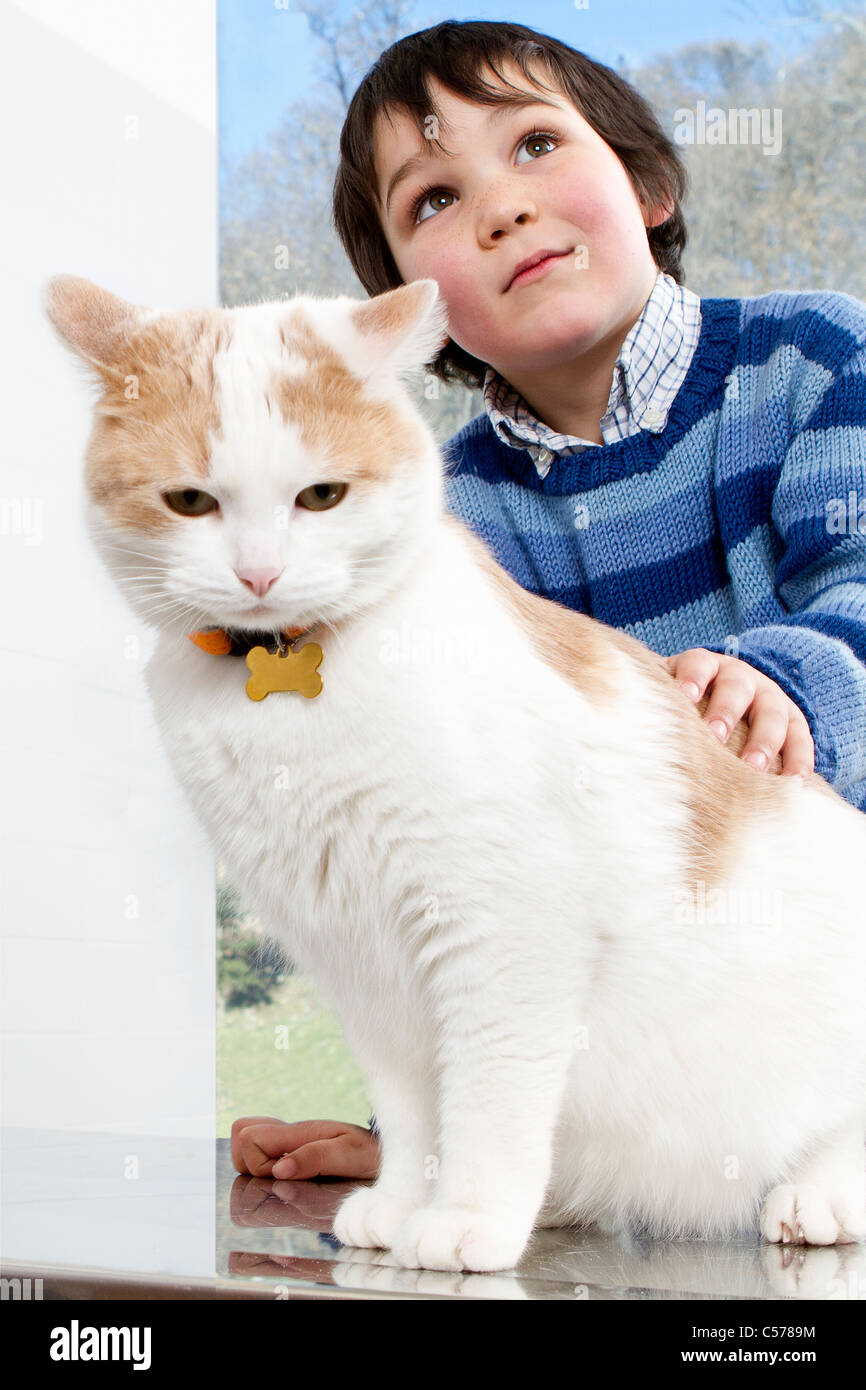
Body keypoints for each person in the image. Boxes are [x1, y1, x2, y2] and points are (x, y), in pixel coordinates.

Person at [232, 18, 866, 1185]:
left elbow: (859, 578)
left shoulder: (811, 358)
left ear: (650, 184)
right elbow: (473, 863)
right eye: (431, 199)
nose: (500, 207)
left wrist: (796, 680)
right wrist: (408, 1139)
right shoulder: (441, 515)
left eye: (532, 144)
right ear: (408, 316)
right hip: (657, 1065)